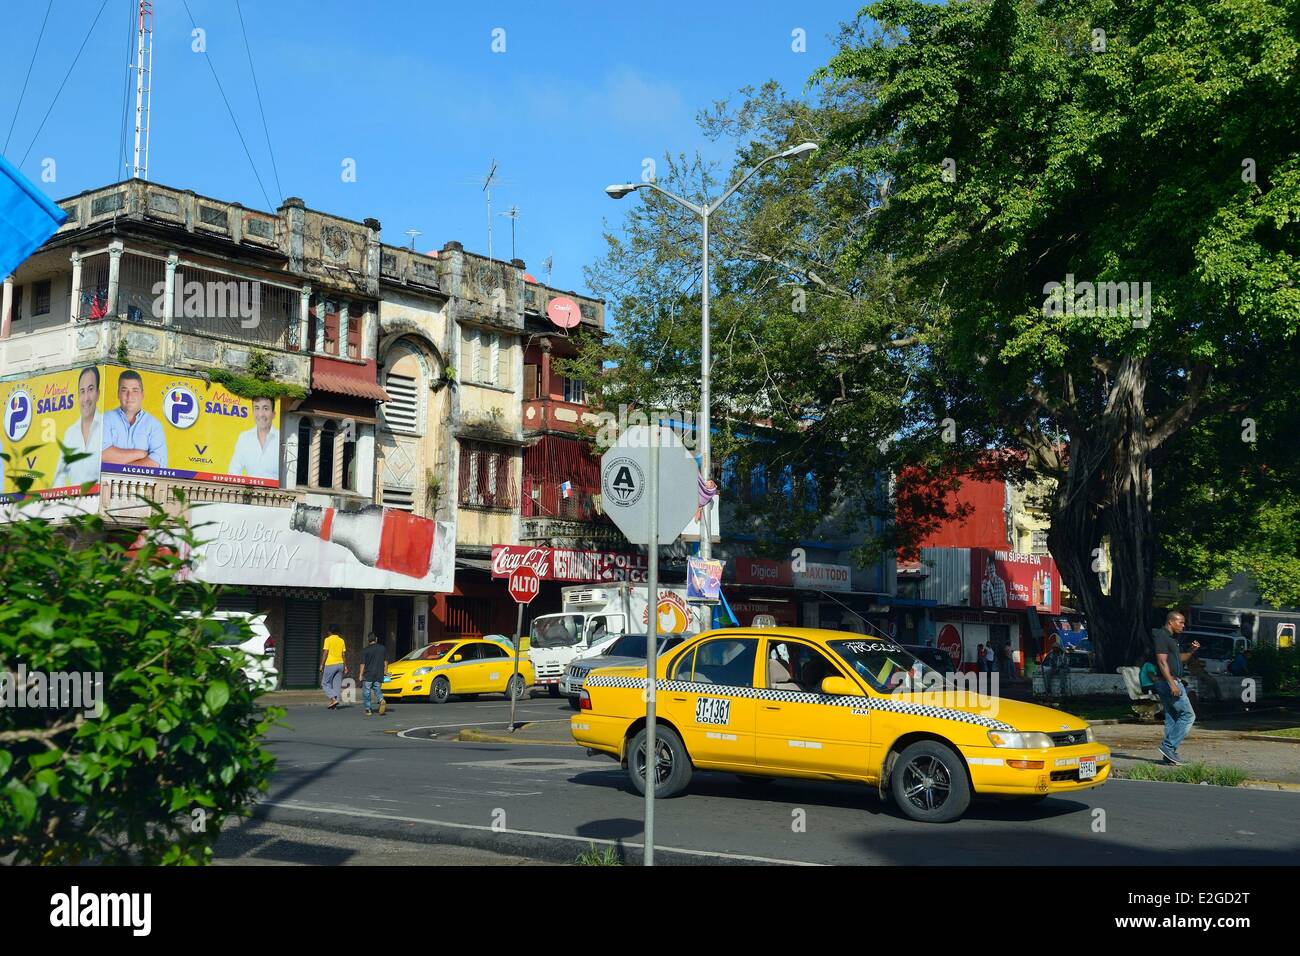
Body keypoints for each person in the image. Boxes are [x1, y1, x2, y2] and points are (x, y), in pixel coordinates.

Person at [1153, 610, 1200, 765]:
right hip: (1169, 682)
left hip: (1171, 681)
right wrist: (1172, 684)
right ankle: (1168, 747)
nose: (1183, 625)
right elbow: (1161, 662)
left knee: (1173, 718)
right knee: (1188, 716)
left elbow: (1179, 659)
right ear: (1171, 622)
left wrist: (1192, 651)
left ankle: (1169, 756)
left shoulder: (1172, 639)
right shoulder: (1162, 636)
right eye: (1180, 622)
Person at [101, 369, 167, 469]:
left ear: (142, 394)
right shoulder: (105, 419)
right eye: (124, 390)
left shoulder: (154, 425)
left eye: (135, 390)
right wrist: (141, 454)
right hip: (108, 484)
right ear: (118, 393)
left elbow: (156, 463)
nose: (129, 396)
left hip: (144, 485)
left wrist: (117, 466)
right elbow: (103, 456)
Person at [55, 366, 103, 488]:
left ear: (98, 394)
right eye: (82, 391)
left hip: (100, 503)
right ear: (78, 396)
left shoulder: (107, 428)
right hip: (72, 504)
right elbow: (59, 476)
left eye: (90, 389)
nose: (86, 398)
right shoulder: (70, 434)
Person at [227, 396, 280, 481]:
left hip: (276, 493)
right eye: (257, 408)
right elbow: (233, 472)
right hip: (248, 491)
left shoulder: (281, 439)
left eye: (265, 408)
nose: (261, 414)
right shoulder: (244, 438)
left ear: (273, 414)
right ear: (253, 412)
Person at [320, 626, 348, 710]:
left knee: (324, 684)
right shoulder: (341, 640)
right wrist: (345, 666)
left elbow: (325, 652)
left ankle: (333, 699)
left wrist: (322, 664)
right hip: (340, 664)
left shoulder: (328, 639)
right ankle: (334, 705)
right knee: (336, 685)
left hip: (330, 664)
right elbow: (343, 655)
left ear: (329, 632)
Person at [360, 633, 387, 717]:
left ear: (368, 640)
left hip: (368, 674)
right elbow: (385, 661)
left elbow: (362, 664)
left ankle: (368, 709)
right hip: (379, 673)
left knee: (367, 691)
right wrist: (385, 672)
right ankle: (381, 699)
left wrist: (360, 674)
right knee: (377, 688)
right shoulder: (382, 648)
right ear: (376, 639)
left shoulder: (365, 650)